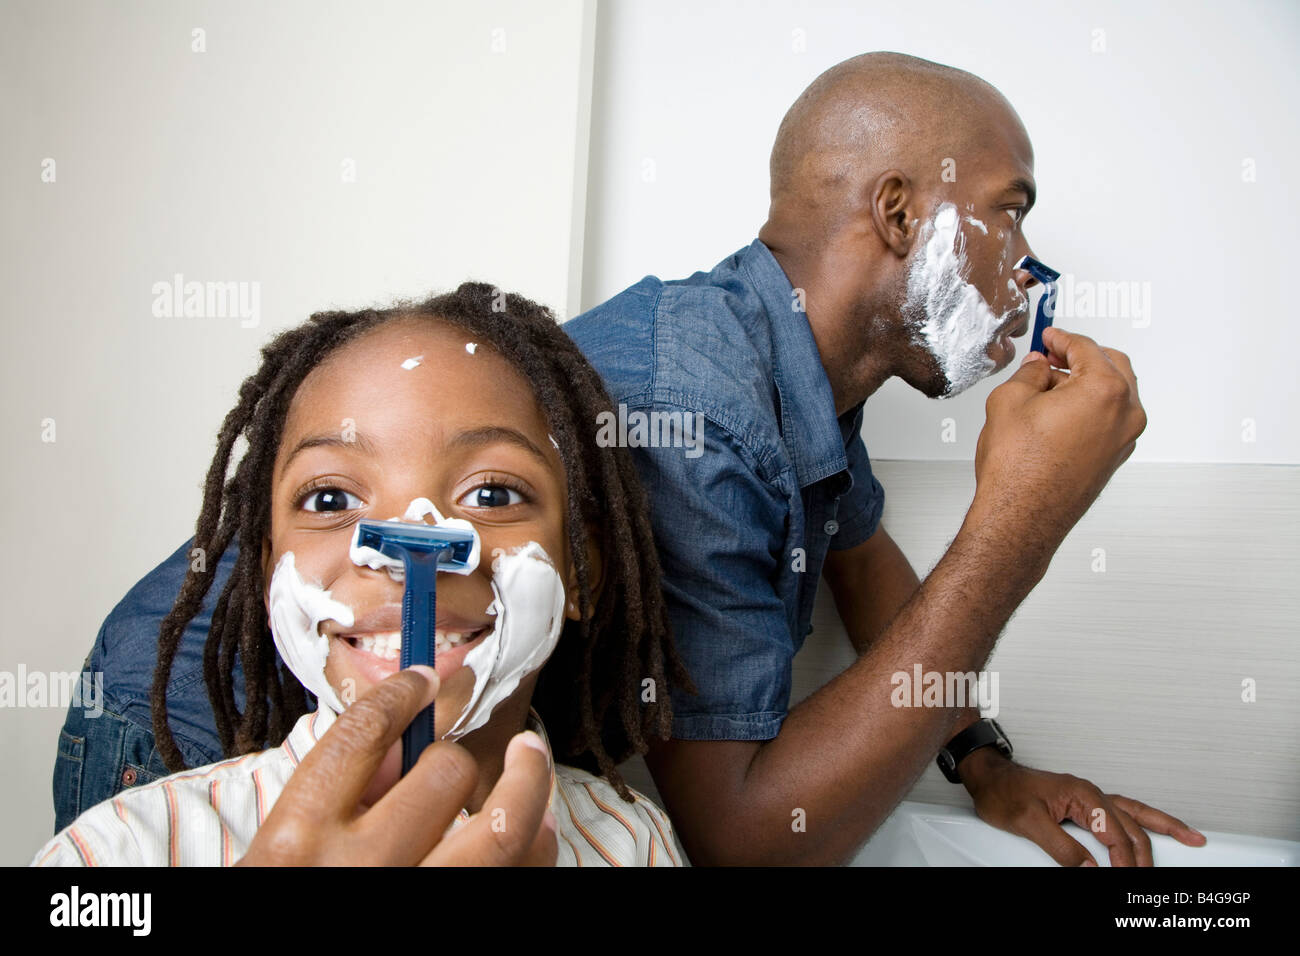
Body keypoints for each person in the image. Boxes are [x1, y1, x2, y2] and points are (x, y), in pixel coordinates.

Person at [54, 52, 1203, 867]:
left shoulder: (797, 376)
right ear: (901, 214)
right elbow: (751, 839)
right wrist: (1022, 522)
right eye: (1011, 213)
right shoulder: (693, 406)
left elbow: (863, 562)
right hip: (187, 731)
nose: (1029, 264)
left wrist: (984, 760)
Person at [36, 284, 687, 866]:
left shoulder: (635, 844)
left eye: (491, 494)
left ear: (582, 571)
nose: (410, 551)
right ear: (267, 574)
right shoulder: (121, 850)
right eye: (329, 500)